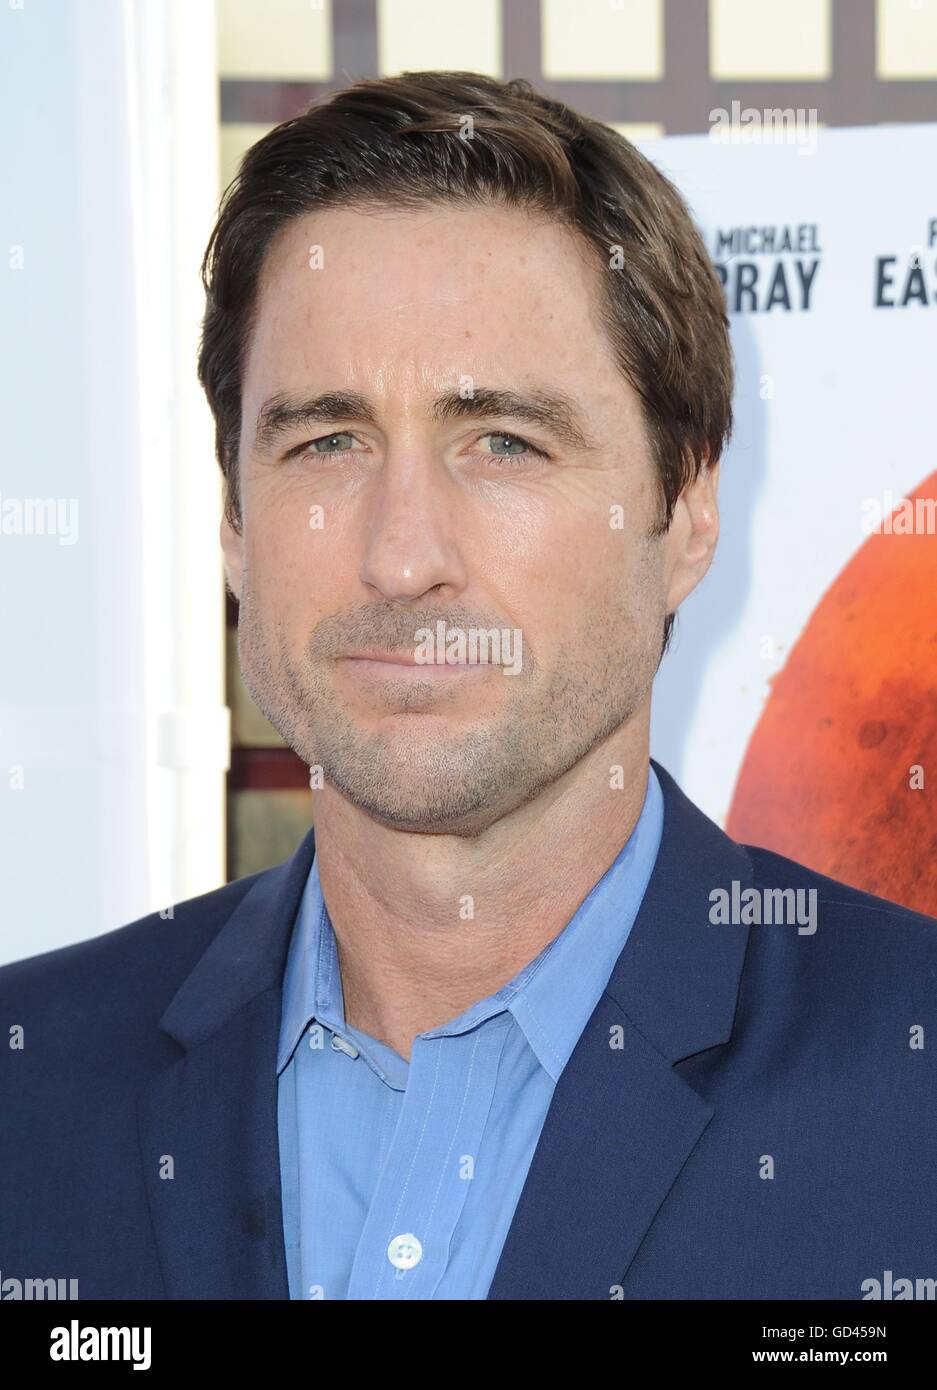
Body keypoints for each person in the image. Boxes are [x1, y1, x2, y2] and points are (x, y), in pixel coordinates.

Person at [2, 71, 934, 1302]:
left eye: (502, 442)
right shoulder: (29, 1087)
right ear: (232, 518)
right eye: (325, 439)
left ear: (687, 509)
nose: (400, 554)